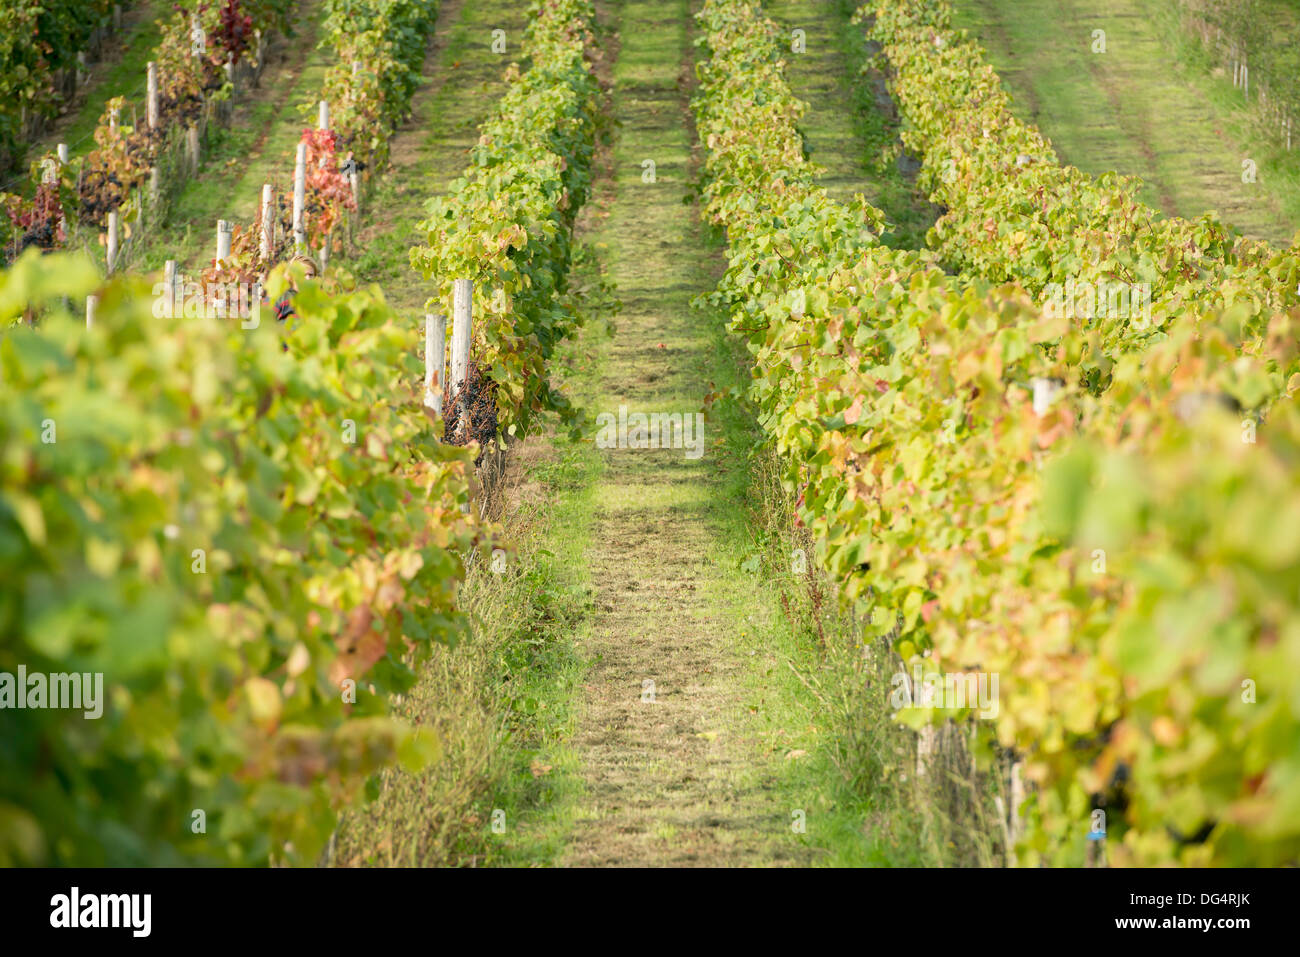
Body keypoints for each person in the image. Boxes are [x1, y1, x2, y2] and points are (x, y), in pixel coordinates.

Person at [272, 253, 319, 323]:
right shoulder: (280, 298)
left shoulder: (318, 302)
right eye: (304, 274)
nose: (308, 278)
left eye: (311, 275)